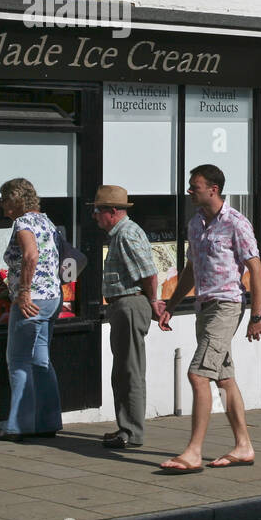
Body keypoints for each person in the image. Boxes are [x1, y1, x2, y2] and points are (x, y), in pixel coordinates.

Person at [158, 165, 261, 472]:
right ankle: (243, 446)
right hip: (204, 308)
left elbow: (255, 269)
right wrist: (171, 304)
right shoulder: (196, 224)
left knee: (198, 374)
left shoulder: (236, 223)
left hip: (227, 306)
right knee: (223, 377)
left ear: (213, 189)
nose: (190, 191)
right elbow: (191, 269)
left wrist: (256, 315)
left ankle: (193, 452)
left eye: (195, 186)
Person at [92, 185, 168, 449]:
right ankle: (126, 428)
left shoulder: (126, 234)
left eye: (98, 211)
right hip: (125, 305)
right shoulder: (121, 233)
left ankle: (131, 431)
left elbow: (149, 273)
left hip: (129, 304)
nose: (95, 216)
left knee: (129, 371)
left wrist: (153, 301)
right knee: (123, 371)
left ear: (112, 212)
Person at [0, 178, 63, 441]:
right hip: (51, 299)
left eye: (4, 200)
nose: (1, 206)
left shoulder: (23, 223)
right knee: (40, 361)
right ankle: (47, 421)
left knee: (19, 360)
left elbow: (30, 255)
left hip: (31, 301)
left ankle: (18, 426)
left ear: (16, 199)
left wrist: (23, 291)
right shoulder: (47, 222)